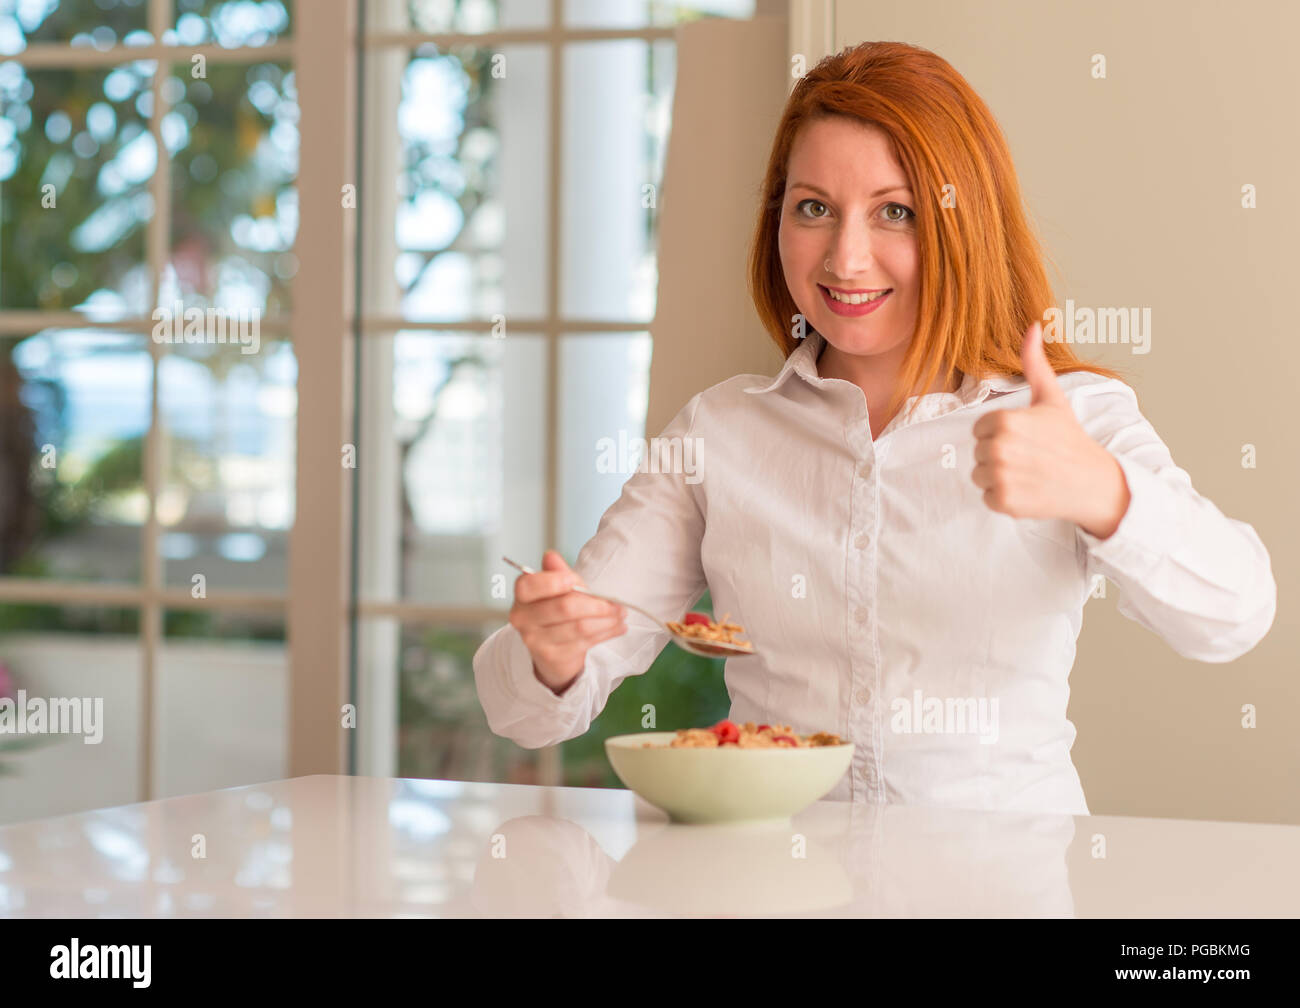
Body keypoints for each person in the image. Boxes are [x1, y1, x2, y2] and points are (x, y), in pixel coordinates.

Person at [472, 41, 1276, 814]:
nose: (846, 259)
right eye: (813, 208)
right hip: (775, 884)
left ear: (966, 226)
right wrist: (551, 654)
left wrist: (1105, 494)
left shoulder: (1065, 420)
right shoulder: (718, 433)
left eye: (895, 212)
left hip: (1005, 888)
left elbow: (1236, 616)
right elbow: (528, 711)